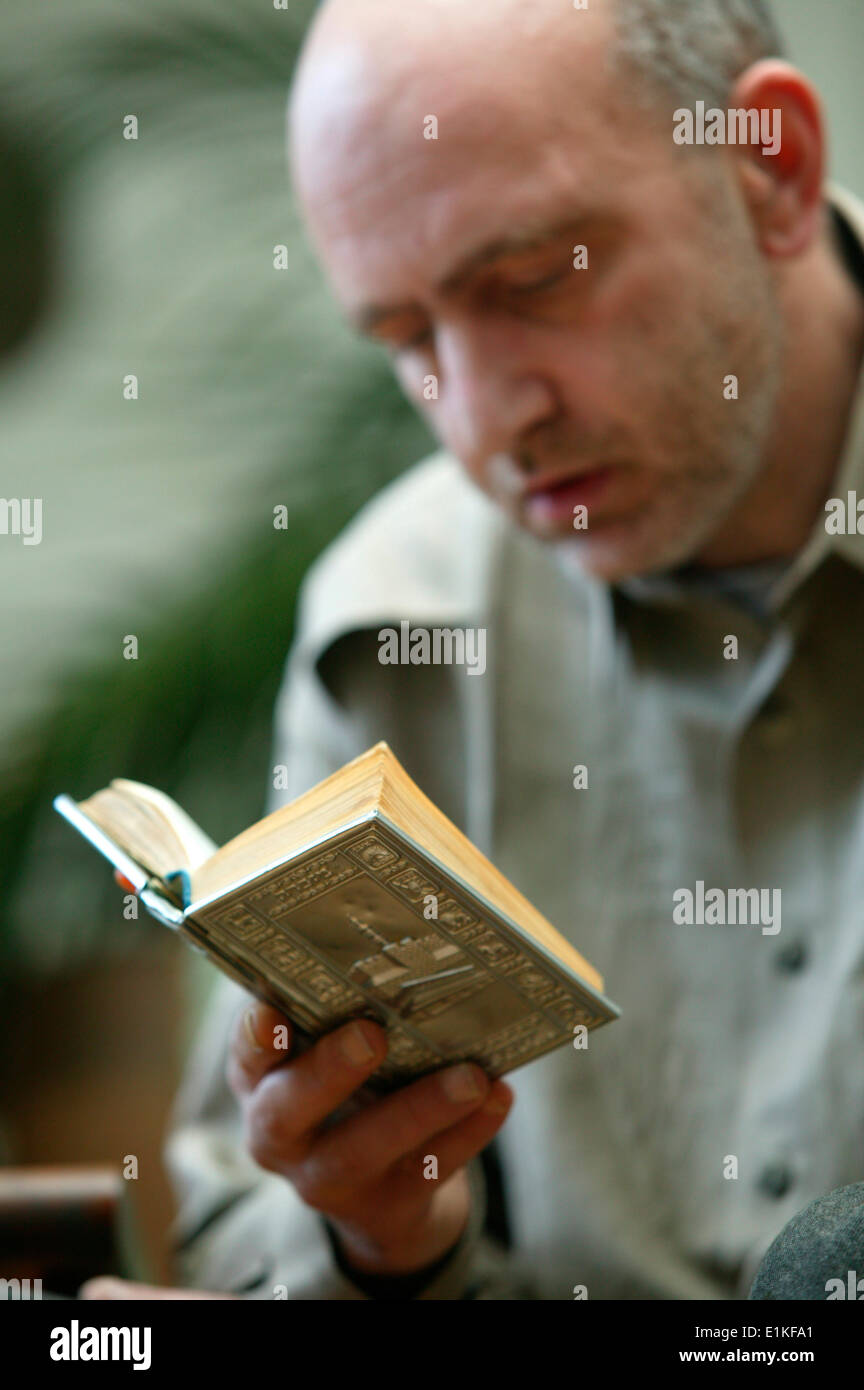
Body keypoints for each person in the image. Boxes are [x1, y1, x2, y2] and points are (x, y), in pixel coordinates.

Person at [83, 0, 864, 1301]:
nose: (489, 418)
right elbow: (229, 1233)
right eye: (405, 340)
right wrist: (386, 1239)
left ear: (767, 167)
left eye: (538, 278)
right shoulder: (393, 624)